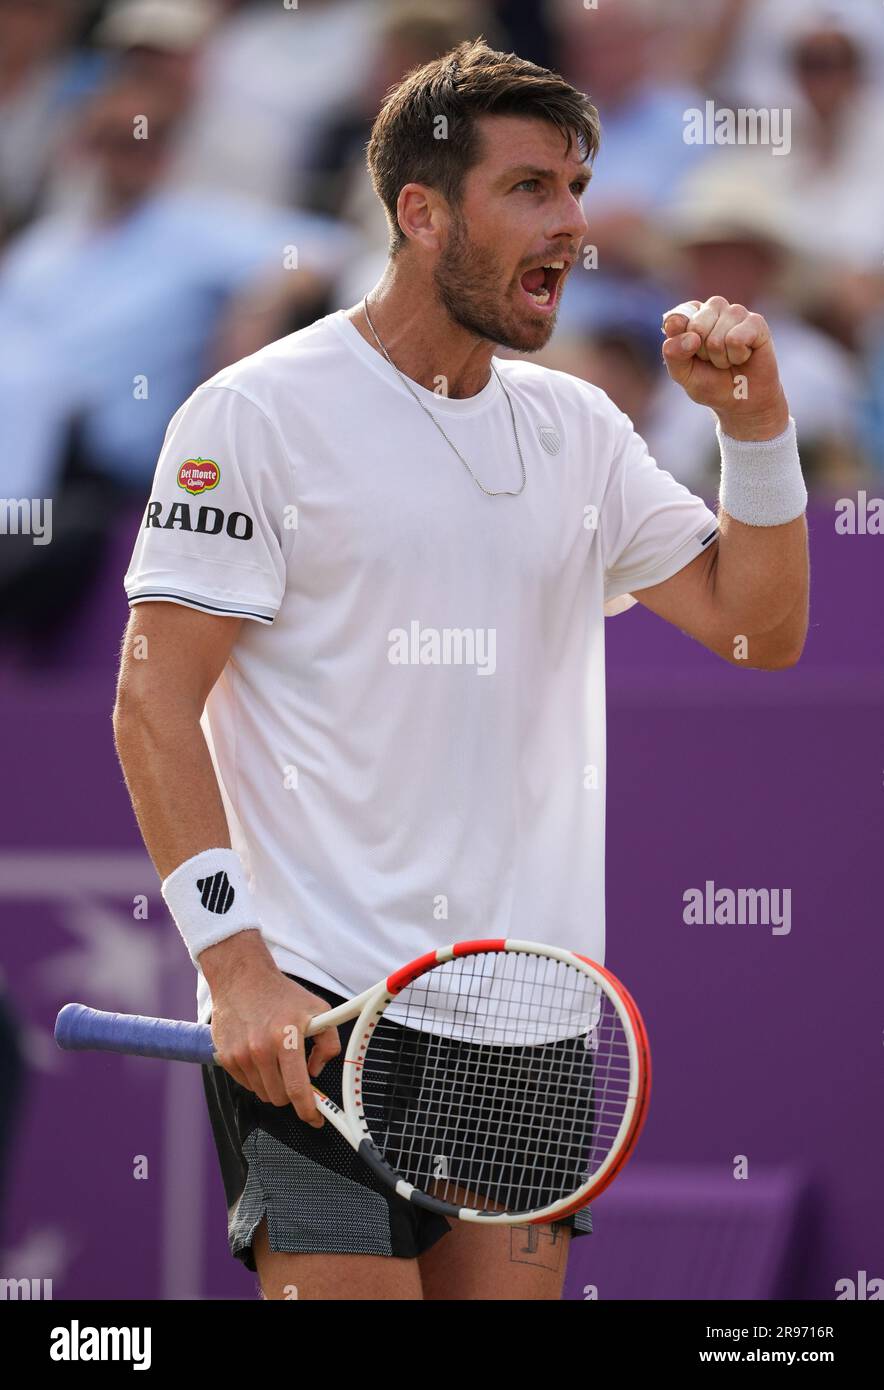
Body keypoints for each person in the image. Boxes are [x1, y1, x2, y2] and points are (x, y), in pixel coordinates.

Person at [113, 38, 809, 1301]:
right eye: (531, 188)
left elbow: (758, 632)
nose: (573, 223)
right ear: (420, 213)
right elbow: (151, 702)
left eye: (578, 188)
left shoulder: (580, 428)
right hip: (321, 1000)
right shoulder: (251, 415)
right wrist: (233, 965)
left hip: (531, 1017)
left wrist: (752, 431)